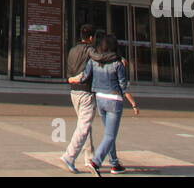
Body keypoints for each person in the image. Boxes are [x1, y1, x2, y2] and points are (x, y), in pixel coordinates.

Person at [68, 31, 139, 175]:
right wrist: (134, 104)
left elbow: (85, 76)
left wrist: (73, 79)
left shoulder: (94, 61)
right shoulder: (118, 63)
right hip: (114, 100)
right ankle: (96, 162)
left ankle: (114, 163)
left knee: (108, 133)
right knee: (110, 135)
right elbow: (123, 86)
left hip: (99, 98)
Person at [59, 23, 97, 174]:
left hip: (74, 91)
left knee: (85, 125)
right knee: (84, 126)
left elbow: (68, 71)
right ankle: (69, 156)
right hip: (86, 91)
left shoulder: (72, 50)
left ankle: (89, 157)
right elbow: (98, 58)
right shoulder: (90, 50)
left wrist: (71, 79)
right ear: (91, 38)